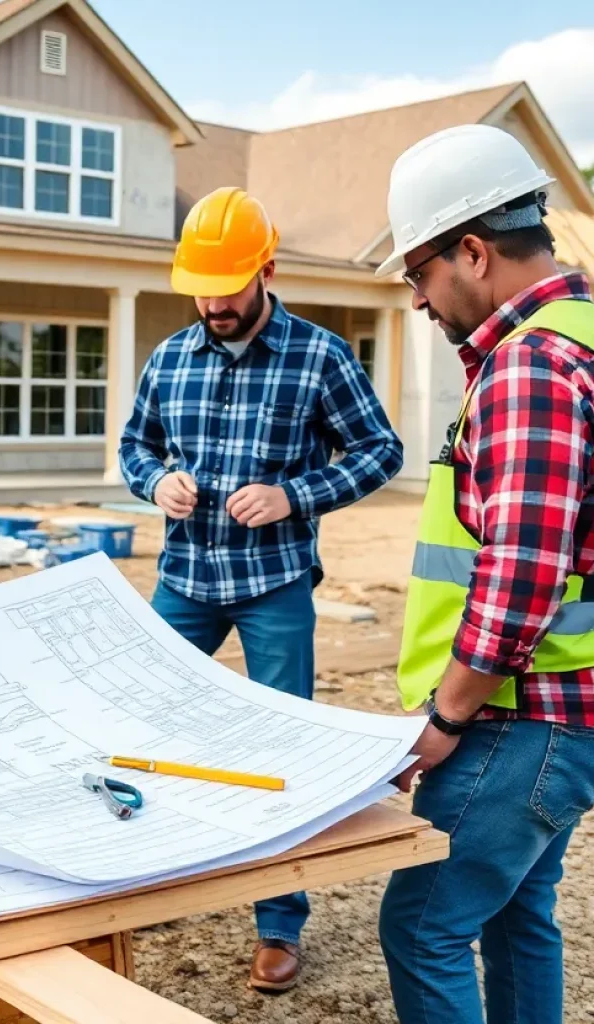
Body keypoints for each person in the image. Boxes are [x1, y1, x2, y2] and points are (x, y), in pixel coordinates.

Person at [119, 186, 404, 991]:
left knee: (281, 748)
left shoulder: (321, 357)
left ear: (266, 270)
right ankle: (139, 875)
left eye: (227, 286)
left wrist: (295, 495)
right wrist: (156, 481)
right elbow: (134, 446)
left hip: (274, 584)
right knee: (138, 720)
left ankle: (279, 924)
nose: (213, 303)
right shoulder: (170, 357)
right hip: (185, 580)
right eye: (200, 288)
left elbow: (380, 450)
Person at [376, 124, 594, 1024]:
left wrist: (446, 712)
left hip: (520, 718)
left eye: (419, 275)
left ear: (471, 251)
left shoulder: (530, 369)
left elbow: (523, 574)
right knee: (518, 917)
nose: (421, 302)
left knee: (423, 926)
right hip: (564, 713)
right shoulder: (579, 338)